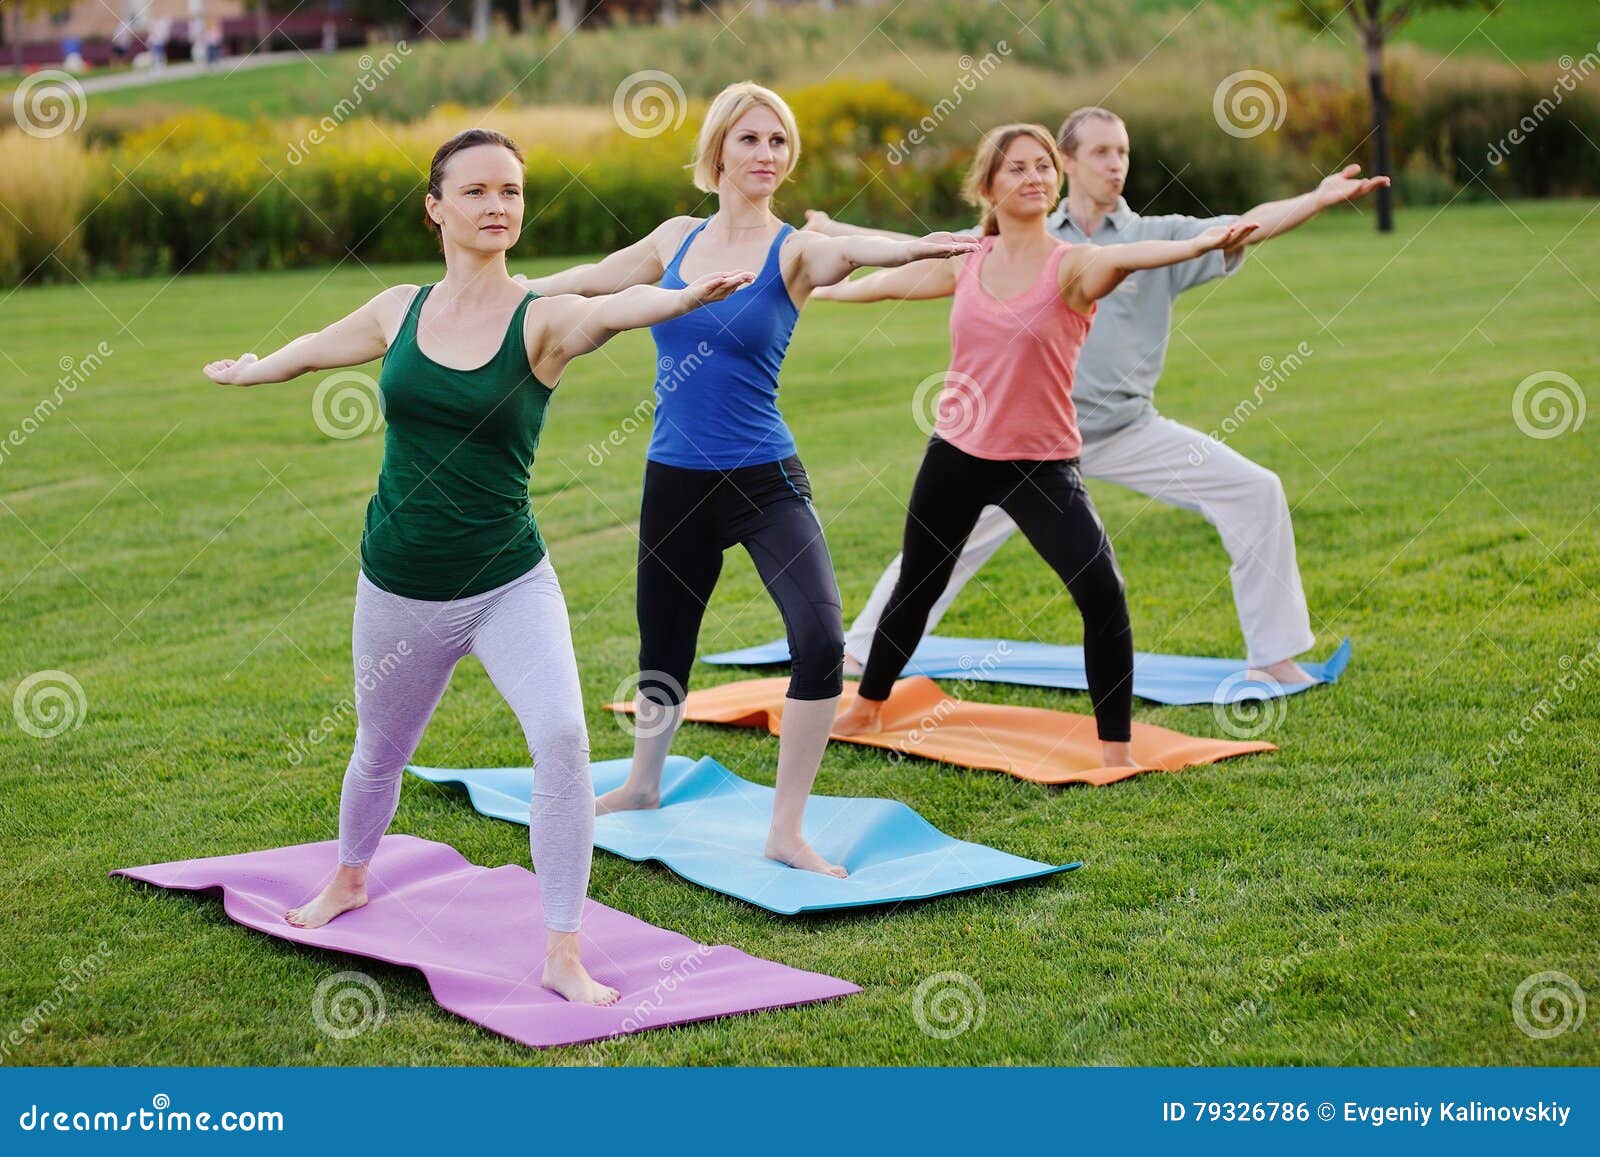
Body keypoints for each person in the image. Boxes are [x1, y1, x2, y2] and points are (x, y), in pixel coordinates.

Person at [202, 128, 753, 1005]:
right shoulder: (399, 309)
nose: (499, 207)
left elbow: (609, 308)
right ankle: (350, 876)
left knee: (566, 739)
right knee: (380, 749)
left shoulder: (541, 316)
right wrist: (252, 369)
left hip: (508, 583)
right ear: (437, 208)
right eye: (478, 192)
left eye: (512, 192)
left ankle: (562, 949)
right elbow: (316, 344)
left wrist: (680, 301)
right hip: (398, 581)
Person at [517, 82, 978, 877]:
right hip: (674, 479)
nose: (767, 155)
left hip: (766, 478)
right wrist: (512, 292)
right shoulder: (676, 239)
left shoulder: (792, 250)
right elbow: (594, 277)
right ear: (720, 149)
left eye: (779, 143)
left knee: (821, 638)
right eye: (752, 140)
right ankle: (643, 782)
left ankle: (786, 828)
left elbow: (854, 250)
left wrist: (914, 244)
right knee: (664, 642)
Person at [807, 106, 1388, 685]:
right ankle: (859, 652)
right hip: (1019, 443)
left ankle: (1274, 657)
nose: (1117, 165)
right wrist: (834, 236)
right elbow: (923, 252)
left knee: (1256, 490)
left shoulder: (1155, 236)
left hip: (1127, 430)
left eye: (1124, 152)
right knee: (937, 552)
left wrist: (1314, 199)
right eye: (1103, 153)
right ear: (1067, 162)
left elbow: (1243, 226)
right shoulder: (1026, 227)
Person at [818, 124, 1257, 765]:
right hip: (957, 456)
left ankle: (1115, 750)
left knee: (1102, 593)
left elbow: (1127, 259)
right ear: (988, 185)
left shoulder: (1072, 264)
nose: (1034, 178)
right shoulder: (967, 260)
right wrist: (817, 288)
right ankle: (868, 705)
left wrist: (1197, 242)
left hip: (1041, 464)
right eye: (1017, 168)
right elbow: (884, 280)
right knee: (916, 585)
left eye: (1044, 167)